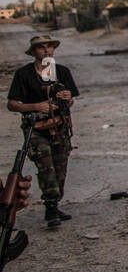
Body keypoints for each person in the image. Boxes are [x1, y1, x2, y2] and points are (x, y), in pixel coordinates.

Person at [6, 36, 78, 228]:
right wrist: (35, 106)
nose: (46, 50)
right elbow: (12, 104)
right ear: (34, 51)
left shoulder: (62, 72)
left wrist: (66, 98)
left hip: (60, 127)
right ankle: (51, 208)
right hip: (36, 129)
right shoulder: (24, 74)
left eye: (49, 47)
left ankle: (55, 203)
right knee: (46, 168)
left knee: (60, 168)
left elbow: (71, 100)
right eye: (41, 47)